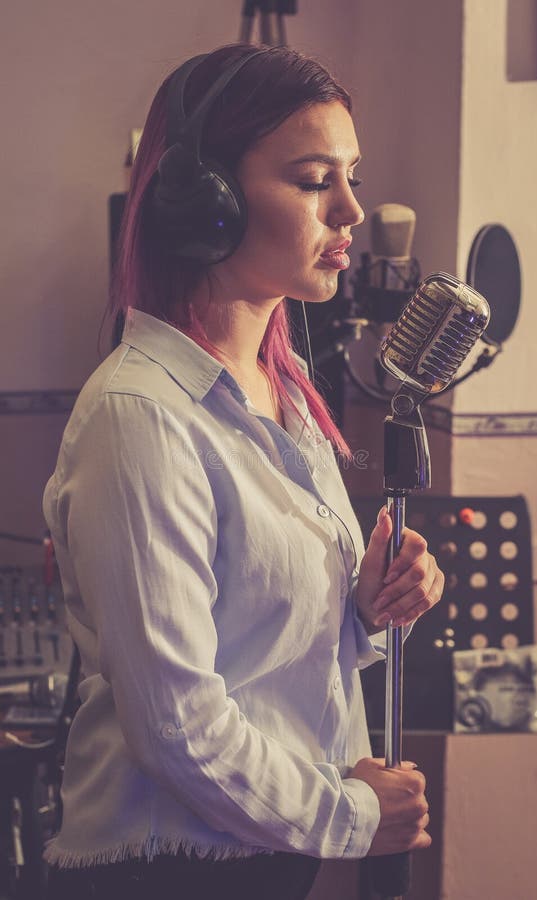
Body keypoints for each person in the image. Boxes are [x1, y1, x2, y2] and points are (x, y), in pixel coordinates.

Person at [43, 43, 444, 900]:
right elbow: (177, 727)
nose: (350, 212)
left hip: (265, 861)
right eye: (311, 181)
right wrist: (353, 818)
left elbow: (265, 651)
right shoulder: (141, 417)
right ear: (208, 203)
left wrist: (368, 606)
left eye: (352, 177)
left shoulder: (286, 400)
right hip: (158, 875)